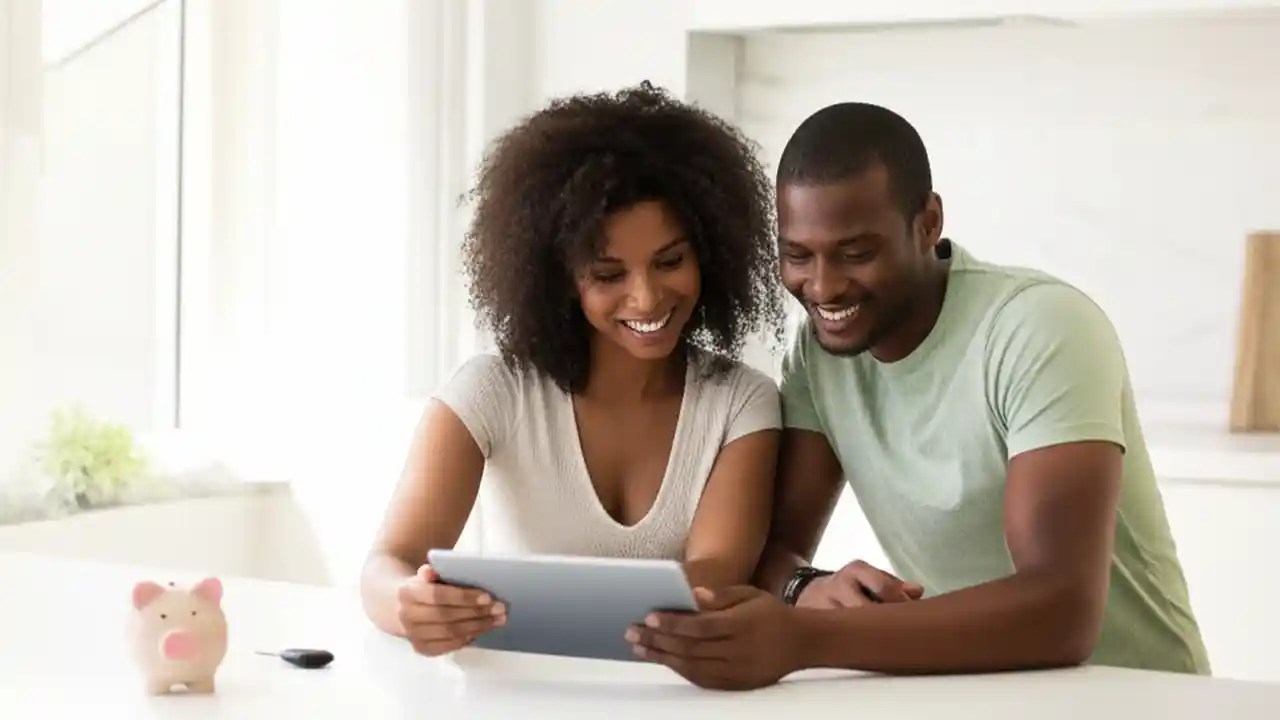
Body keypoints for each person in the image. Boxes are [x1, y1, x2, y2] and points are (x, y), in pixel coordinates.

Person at [625, 102, 1211, 689]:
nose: (823, 286)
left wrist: (807, 638)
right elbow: (774, 549)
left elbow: (1060, 610)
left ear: (929, 222)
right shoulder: (819, 355)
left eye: (856, 253)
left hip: (1139, 694)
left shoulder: (1040, 328)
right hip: (971, 693)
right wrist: (807, 589)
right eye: (798, 255)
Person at [360, 82, 786, 658]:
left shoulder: (743, 403)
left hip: (677, 699)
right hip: (517, 695)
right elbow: (388, 564)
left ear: (708, 252)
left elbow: (713, 579)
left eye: (670, 261)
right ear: (561, 278)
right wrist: (409, 604)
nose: (647, 297)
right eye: (609, 275)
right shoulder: (490, 392)